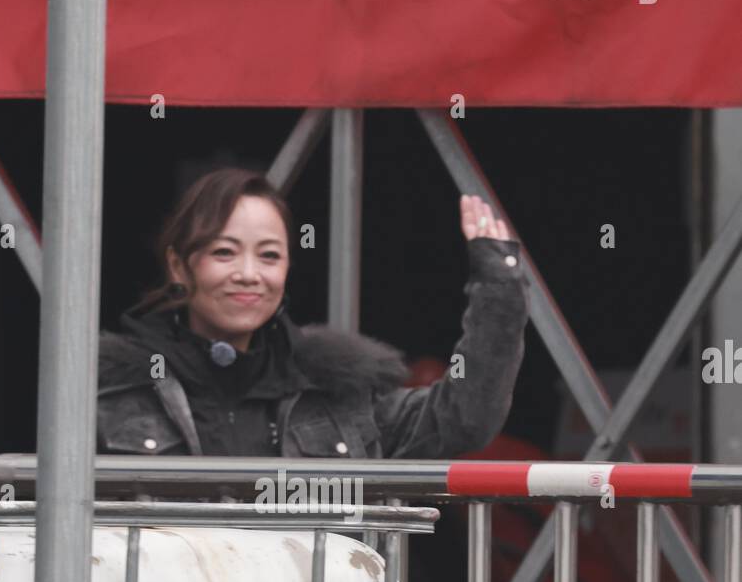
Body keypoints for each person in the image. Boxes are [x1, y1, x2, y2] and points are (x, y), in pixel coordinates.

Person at [97, 167, 528, 461]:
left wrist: (498, 286)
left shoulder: (336, 392)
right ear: (178, 265)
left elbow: (463, 418)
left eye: (269, 256)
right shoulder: (111, 391)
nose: (249, 275)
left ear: (287, 268)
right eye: (224, 253)